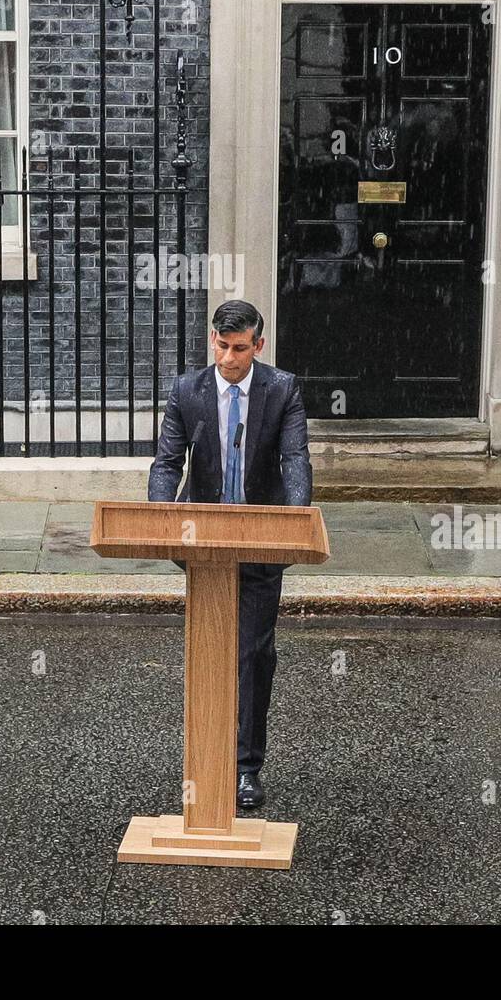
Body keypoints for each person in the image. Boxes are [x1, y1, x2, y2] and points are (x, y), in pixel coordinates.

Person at [147, 299, 313, 810]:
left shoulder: (281, 389)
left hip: (260, 545)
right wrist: (160, 517)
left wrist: (295, 520)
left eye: (240, 348)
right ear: (211, 340)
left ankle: (245, 768)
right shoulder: (187, 392)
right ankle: (204, 761)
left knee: (253, 653)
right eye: (221, 346)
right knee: (210, 651)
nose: (229, 358)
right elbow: (168, 462)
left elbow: (295, 460)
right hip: (203, 546)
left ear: (257, 345)